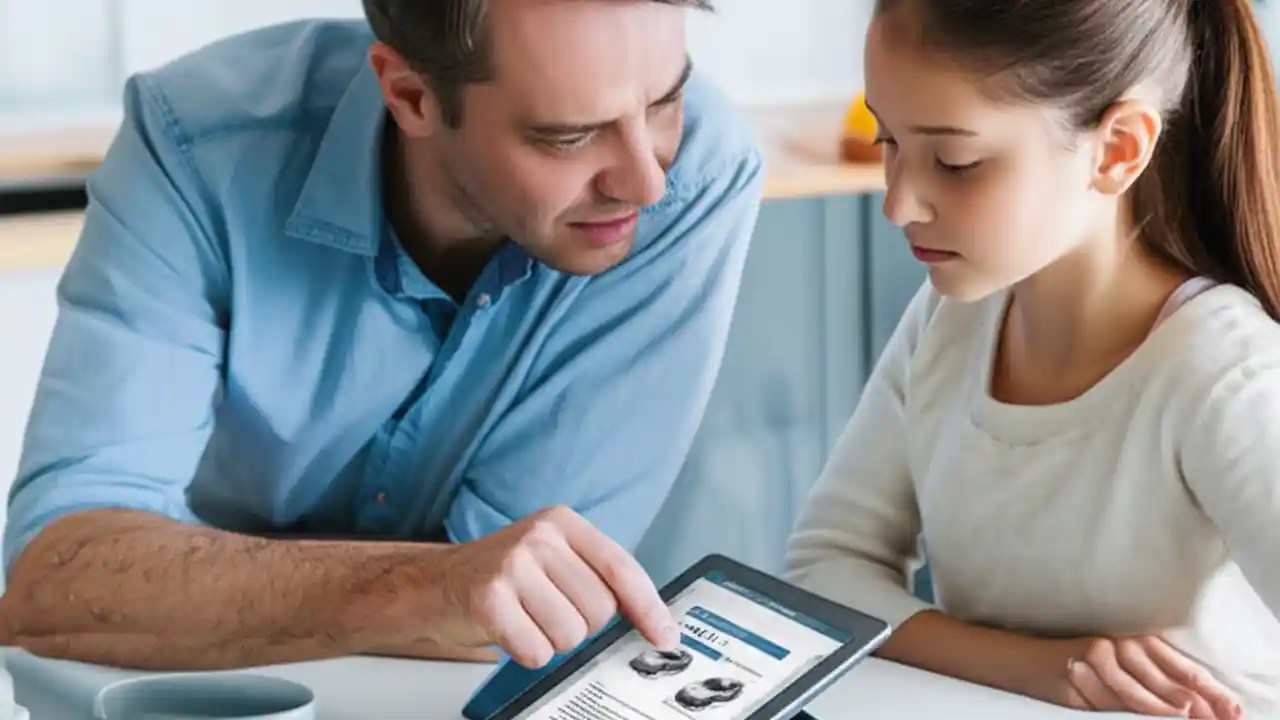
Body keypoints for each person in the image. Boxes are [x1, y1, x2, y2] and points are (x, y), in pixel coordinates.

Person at [0, 0, 765, 672]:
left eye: (666, 100)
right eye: (568, 137)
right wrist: (426, 587)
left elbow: (523, 618)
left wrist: (193, 594)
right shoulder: (198, 147)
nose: (645, 181)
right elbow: (59, 575)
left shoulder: (695, 176)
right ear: (409, 94)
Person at [785, 0, 1280, 718]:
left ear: (1116, 150)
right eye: (890, 141)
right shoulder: (947, 322)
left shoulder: (1223, 376)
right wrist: (1048, 669)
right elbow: (823, 574)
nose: (898, 203)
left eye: (955, 162)